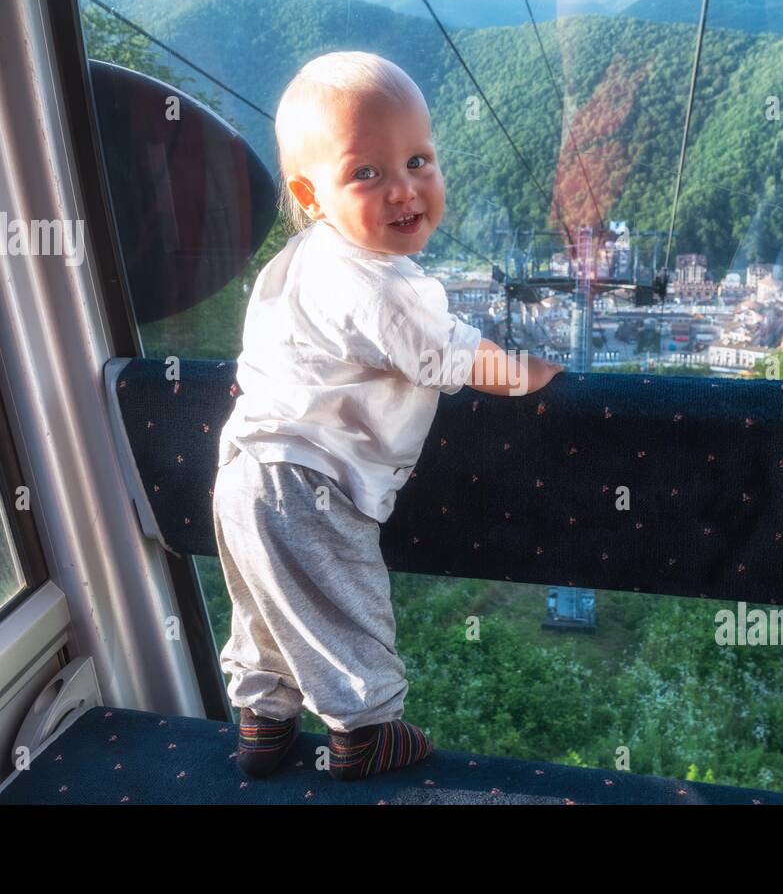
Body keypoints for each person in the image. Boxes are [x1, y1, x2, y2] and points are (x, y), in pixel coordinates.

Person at [213, 51, 563, 781]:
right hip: (312, 484)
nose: (404, 189)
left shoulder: (297, 263)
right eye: (366, 173)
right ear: (311, 193)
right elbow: (450, 355)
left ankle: (263, 724)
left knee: (266, 607)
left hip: (244, 471)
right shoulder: (381, 282)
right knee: (344, 602)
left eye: (418, 160)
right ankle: (365, 731)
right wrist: (536, 373)